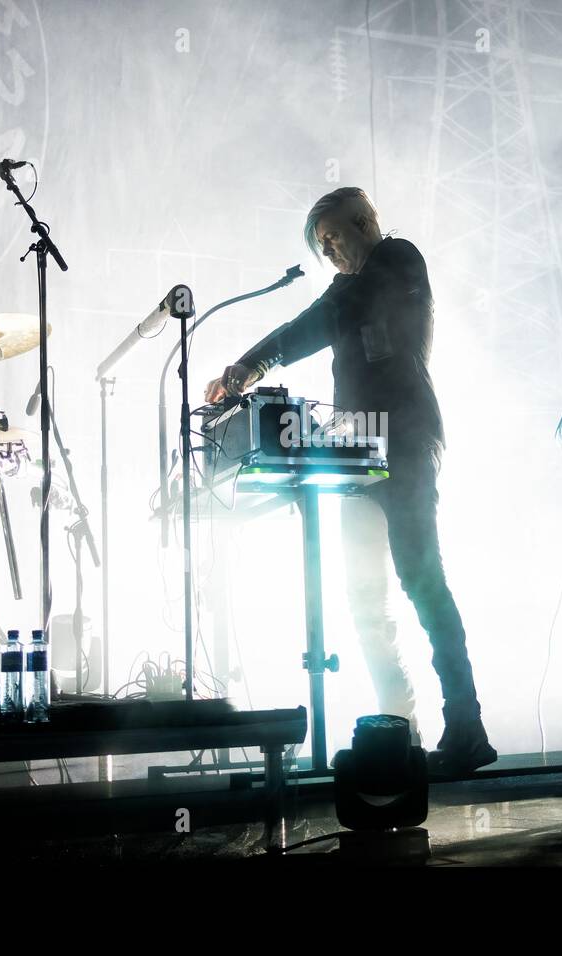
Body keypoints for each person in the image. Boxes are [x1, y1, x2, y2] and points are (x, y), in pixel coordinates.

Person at [204, 187, 496, 775]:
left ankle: (467, 728)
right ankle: (402, 733)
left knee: (422, 581)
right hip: (357, 448)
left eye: (333, 237)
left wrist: (255, 361)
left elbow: (325, 318)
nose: (328, 251)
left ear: (363, 222)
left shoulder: (398, 261)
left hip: (406, 443)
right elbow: (324, 315)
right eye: (321, 245)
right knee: (366, 600)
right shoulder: (344, 288)